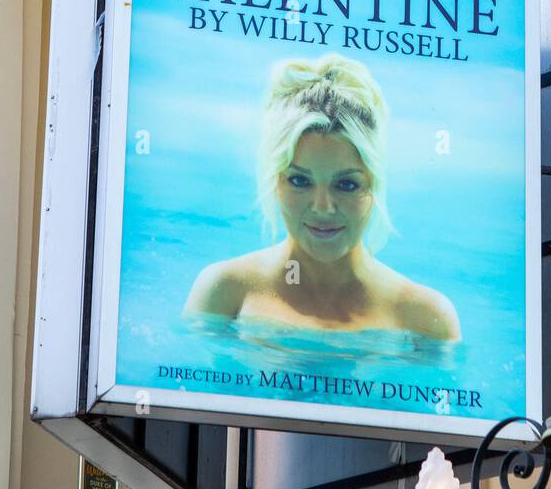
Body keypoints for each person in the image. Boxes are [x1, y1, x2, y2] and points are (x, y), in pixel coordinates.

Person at [184, 54, 460, 340]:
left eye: (346, 185)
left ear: (374, 184)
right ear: (276, 181)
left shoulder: (424, 317)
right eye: (300, 181)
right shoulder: (226, 291)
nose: (323, 207)